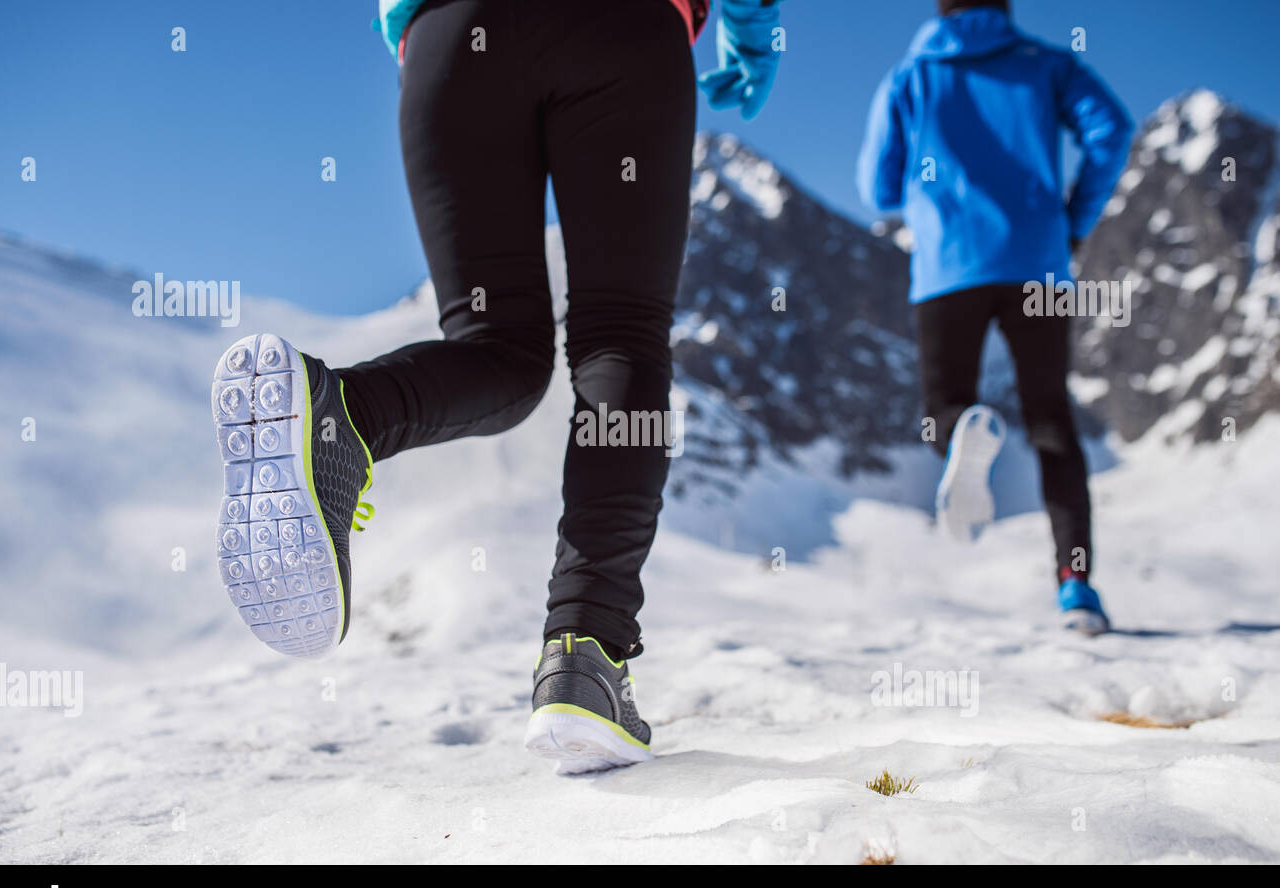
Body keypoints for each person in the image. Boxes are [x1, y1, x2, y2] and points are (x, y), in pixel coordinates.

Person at [210, 0, 783, 774]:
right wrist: (751, 30)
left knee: (498, 352)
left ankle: (342, 412)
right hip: (625, 31)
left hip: (451, 33)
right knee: (620, 332)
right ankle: (586, 651)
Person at [856, 0, 1133, 635]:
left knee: (944, 405)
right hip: (1038, 257)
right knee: (1052, 421)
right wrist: (1072, 222)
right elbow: (1111, 130)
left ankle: (962, 432)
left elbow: (877, 186)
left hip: (949, 263)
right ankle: (1076, 588)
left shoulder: (911, 75)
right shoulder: (1047, 63)